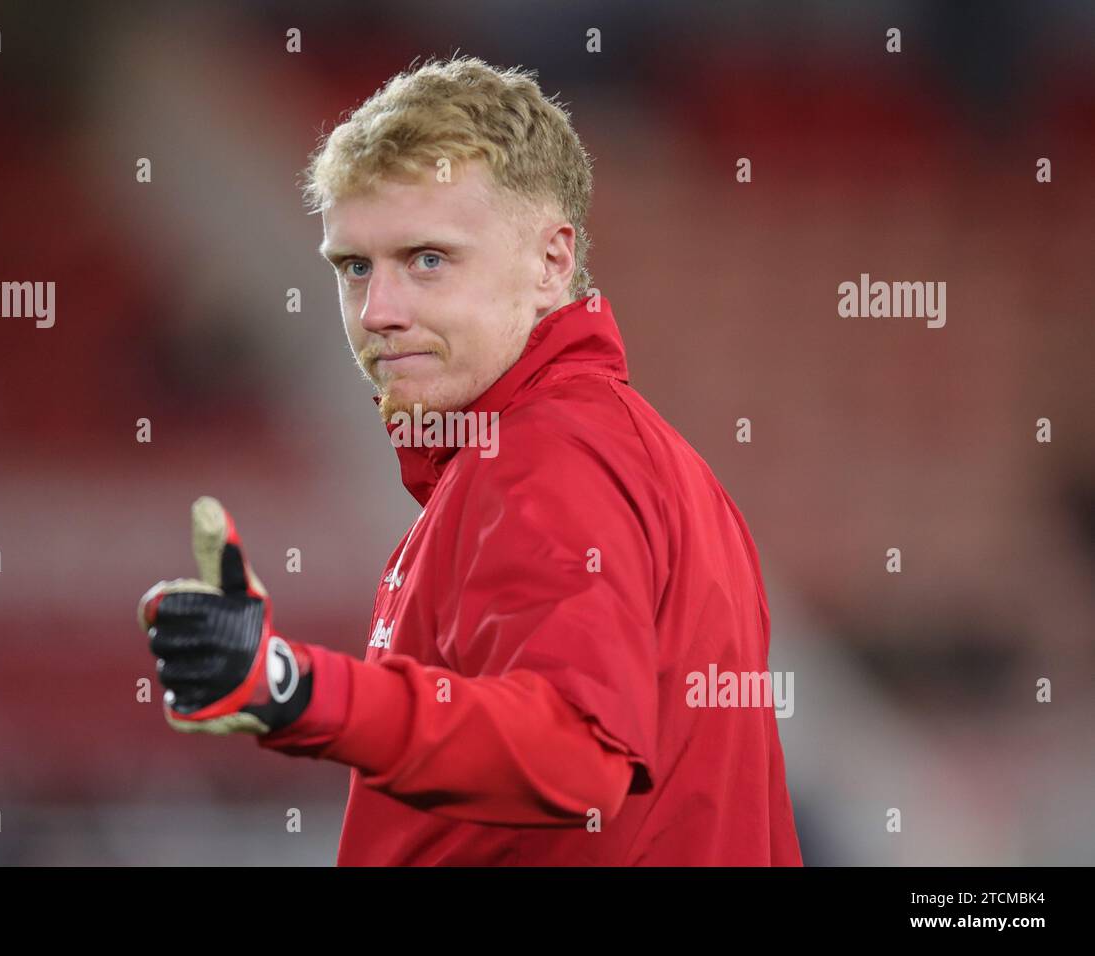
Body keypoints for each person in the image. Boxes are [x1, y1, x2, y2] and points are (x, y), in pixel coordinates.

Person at [139, 55, 802, 866]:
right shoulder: (628, 456)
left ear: (552, 263)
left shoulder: (549, 456)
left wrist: (292, 686)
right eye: (354, 268)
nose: (378, 313)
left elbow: (576, 755)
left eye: (427, 260)